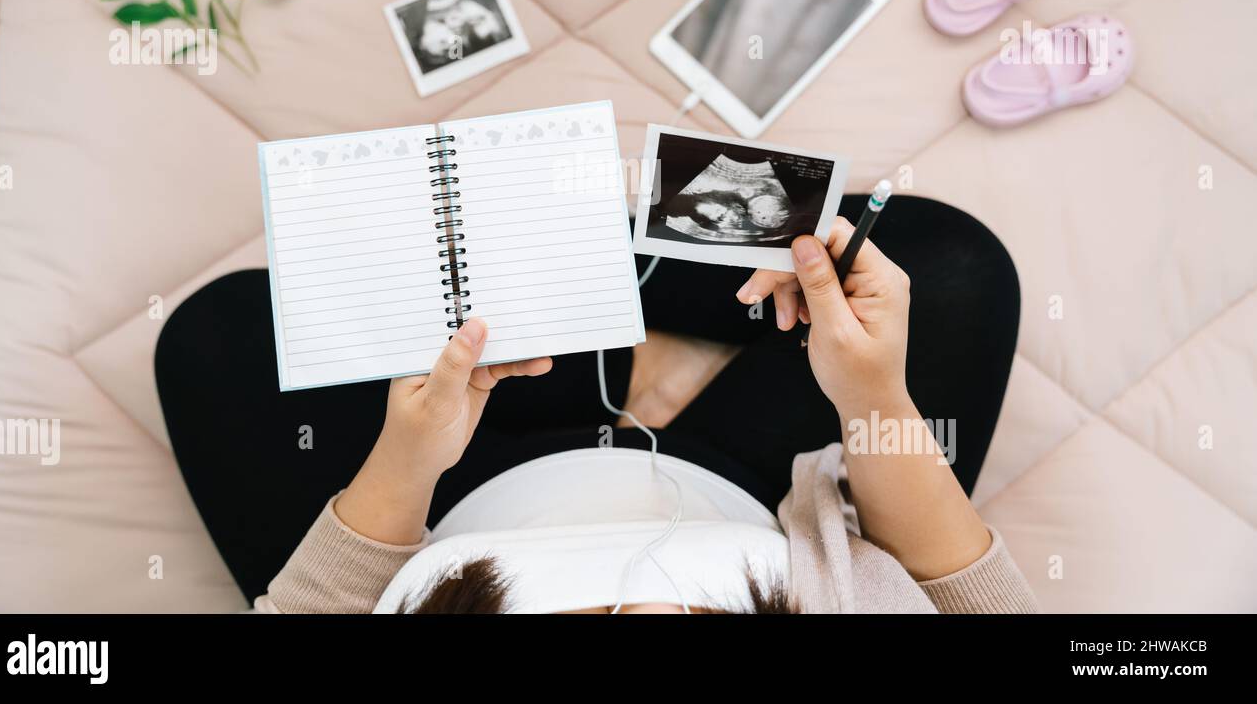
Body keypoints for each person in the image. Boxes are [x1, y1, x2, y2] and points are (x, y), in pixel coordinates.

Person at [155, 195, 1037, 613]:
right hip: (741, 486)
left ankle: (574, 268)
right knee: (950, 267)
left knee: (216, 338)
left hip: (456, 493)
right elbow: (956, 589)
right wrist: (872, 399)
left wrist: (408, 460)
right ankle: (608, 263)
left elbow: (310, 610)